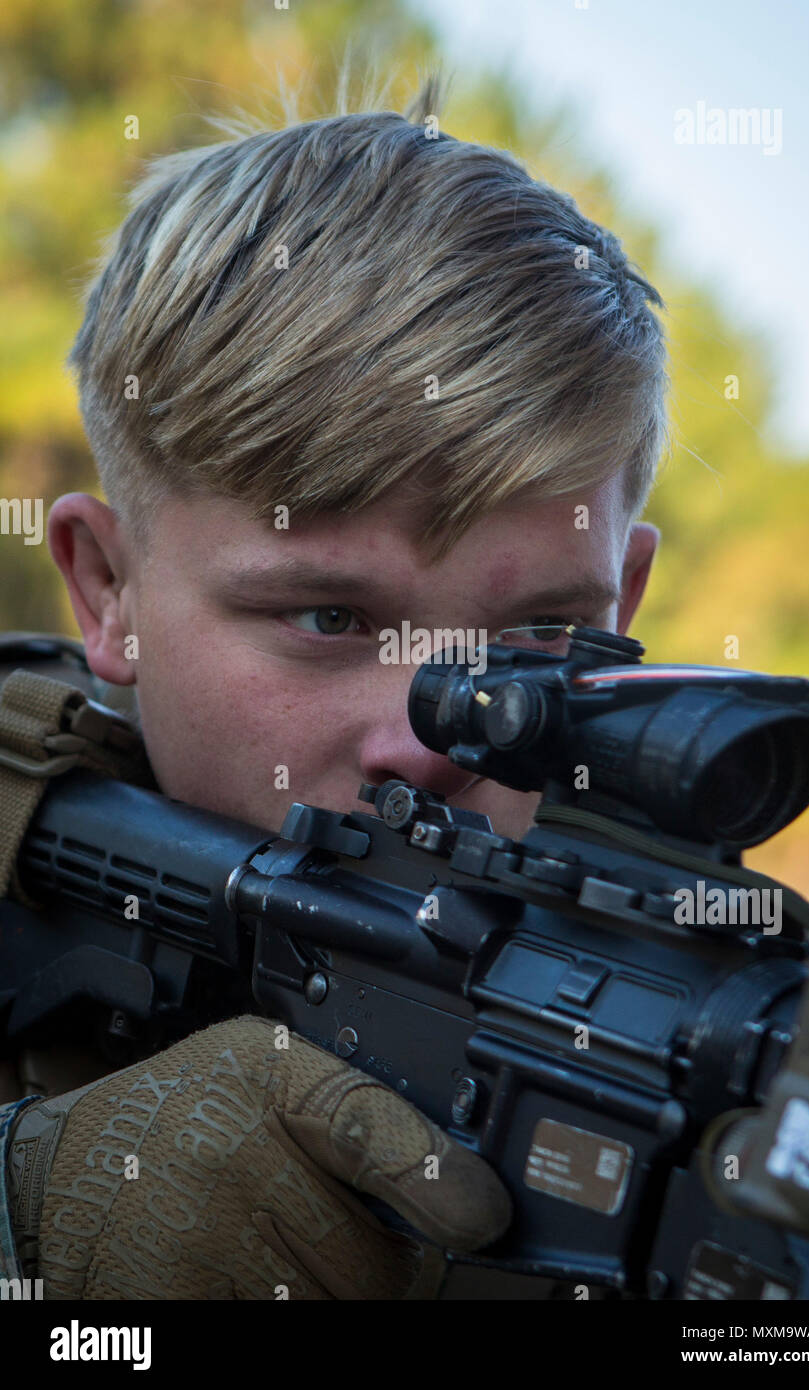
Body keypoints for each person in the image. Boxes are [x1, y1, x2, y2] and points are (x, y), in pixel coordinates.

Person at [0, 73, 667, 1299]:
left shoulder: (679, 1012)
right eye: (326, 615)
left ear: (618, 603)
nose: (432, 737)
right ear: (107, 591)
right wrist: (31, 1228)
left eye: (531, 638)